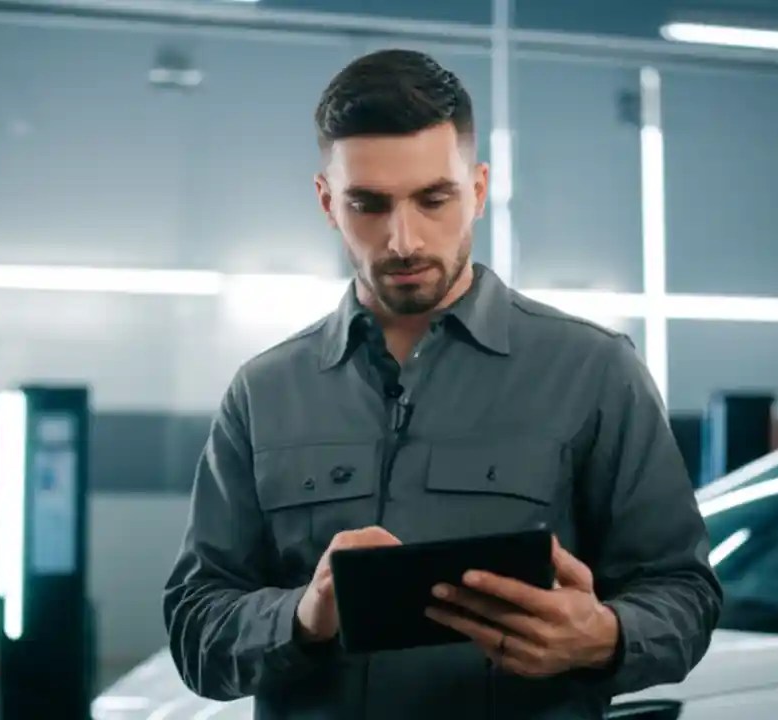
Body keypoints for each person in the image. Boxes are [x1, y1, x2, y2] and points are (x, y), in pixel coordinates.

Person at [163, 48, 722, 719]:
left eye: (434, 199)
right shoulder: (263, 392)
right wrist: (303, 616)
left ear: (479, 190)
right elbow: (197, 624)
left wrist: (605, 636)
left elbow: (684, 592)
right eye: (368, 204)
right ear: (326, 202)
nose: (403, 239)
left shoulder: (594, 372)